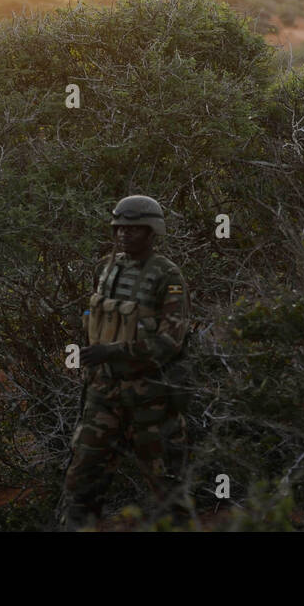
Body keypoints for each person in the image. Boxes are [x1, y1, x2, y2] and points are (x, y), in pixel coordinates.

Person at [60, 195, 193, 529]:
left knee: (168, 488)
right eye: (119, 228)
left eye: (133, 230)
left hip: (150, 399)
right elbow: (94, 317)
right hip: (103, 394)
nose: (123, 235)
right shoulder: (107, 268)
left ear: (152, 232)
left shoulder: (168, 276)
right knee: (81, 483)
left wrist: (114, 352)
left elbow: (168, 343)